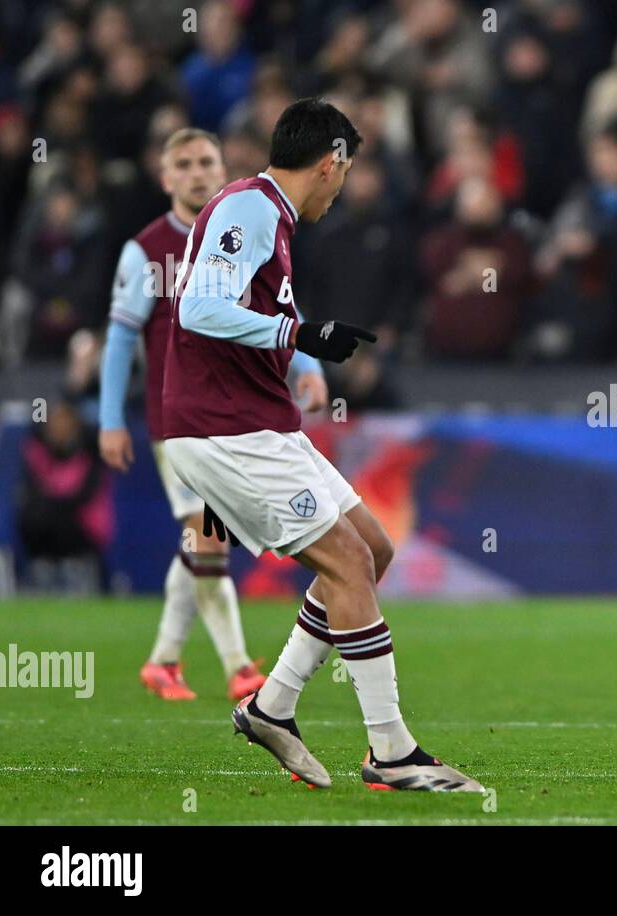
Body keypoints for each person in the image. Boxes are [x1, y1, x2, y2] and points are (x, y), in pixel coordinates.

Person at [162, 98, 481, 792]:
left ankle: (272, 707)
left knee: (374, 548)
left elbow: (261, 309)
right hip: (224, 427)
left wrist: (303, 358)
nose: (340, 188)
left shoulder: (268, 217)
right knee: (345, 561)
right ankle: (391, 750)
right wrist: (299, 339)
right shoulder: (250, 206)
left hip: (260, 420)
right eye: (346, 171)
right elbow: (197, 307)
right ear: (331, 161)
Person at [98, 127, 324, 701]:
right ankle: (236, 667)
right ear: (166, 176)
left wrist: (308, 365)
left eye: (208, 161)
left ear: (223, 168)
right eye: (185, 164)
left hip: (234, 413)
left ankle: (164, 660)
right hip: (179, 417)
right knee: (209, 536)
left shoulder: (239, 232)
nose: (198, 172)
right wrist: (109, 418)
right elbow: (121, 340)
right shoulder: (145, 250)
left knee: (202, 540)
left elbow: (270, 310)